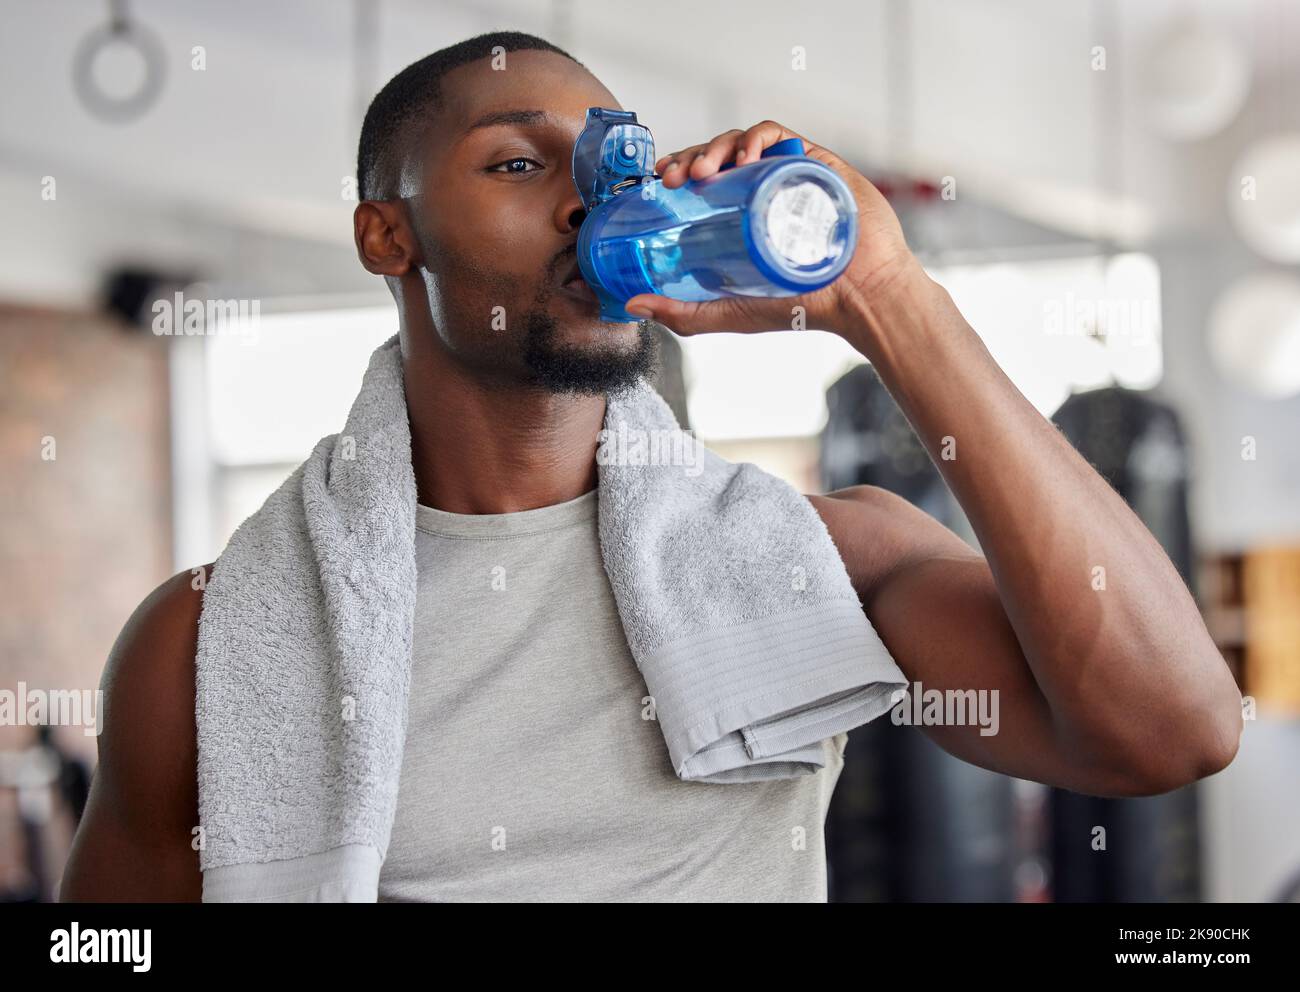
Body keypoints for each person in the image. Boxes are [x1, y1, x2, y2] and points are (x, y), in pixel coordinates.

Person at [59, 30, 1241, 902]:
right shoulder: (215, 638)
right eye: (516, 165)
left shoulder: (817, 560)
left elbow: (1170, 731)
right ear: (388, 234)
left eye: (610, 166)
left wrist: (886, 299)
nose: (589, 204)